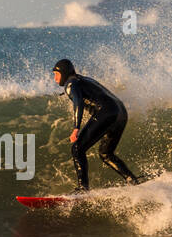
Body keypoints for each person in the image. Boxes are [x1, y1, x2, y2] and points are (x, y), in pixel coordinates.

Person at [52, 58, 140, 191]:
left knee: (77, 149)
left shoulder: (70, 84)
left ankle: (83, 188)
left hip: (106, 112)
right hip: (120, 112)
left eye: (56, 74)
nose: (55, 78)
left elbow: (78, 103)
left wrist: (76, 128)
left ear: (63, 73)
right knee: (105, 154)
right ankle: (132, 180)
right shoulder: (83, 79)